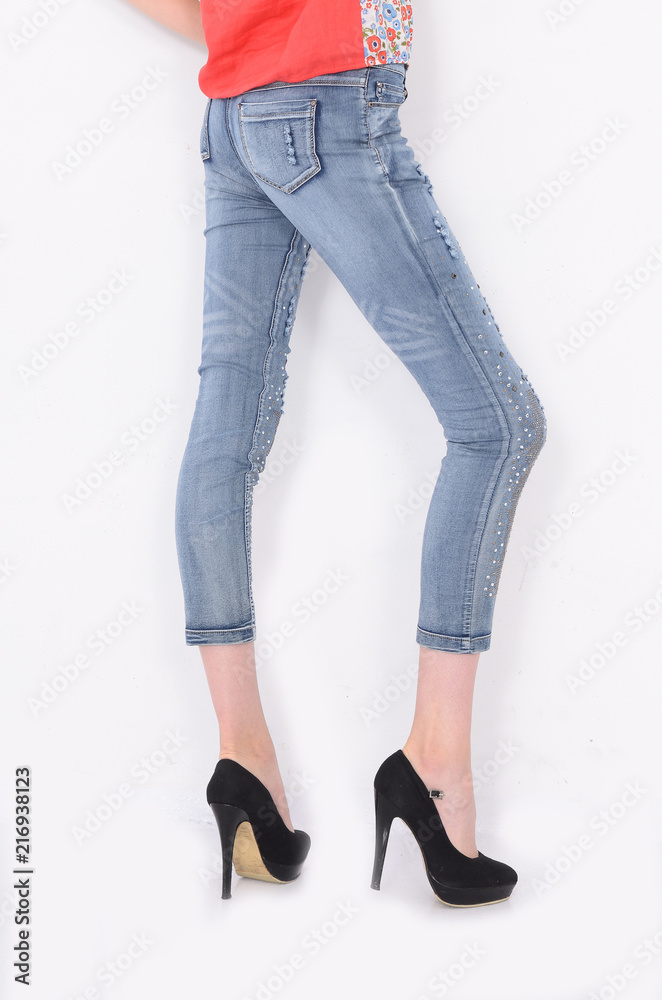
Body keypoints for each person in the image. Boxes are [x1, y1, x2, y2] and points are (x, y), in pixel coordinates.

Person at [123, 0, 547, 905]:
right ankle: (434, 765)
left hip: (240, 113)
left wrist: (250, 29)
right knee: (499, 425)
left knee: (225, 431)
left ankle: (243, 761)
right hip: (325, 101)